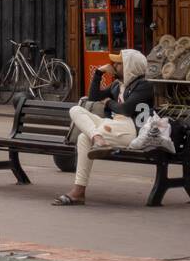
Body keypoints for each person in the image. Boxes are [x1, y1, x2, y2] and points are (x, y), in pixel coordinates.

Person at [53, 49, 154, 206]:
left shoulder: (143, 86)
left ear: (129, 66)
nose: (113, 65)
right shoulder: (117, 85)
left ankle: (78, 191)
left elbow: (126, 109)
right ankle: (97, 138)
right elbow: (93, 97)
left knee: (83, 137)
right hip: (112, 126)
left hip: (131, 129)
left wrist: (108, 103)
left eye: (118, 63)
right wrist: (98, 74)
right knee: (75, 111)